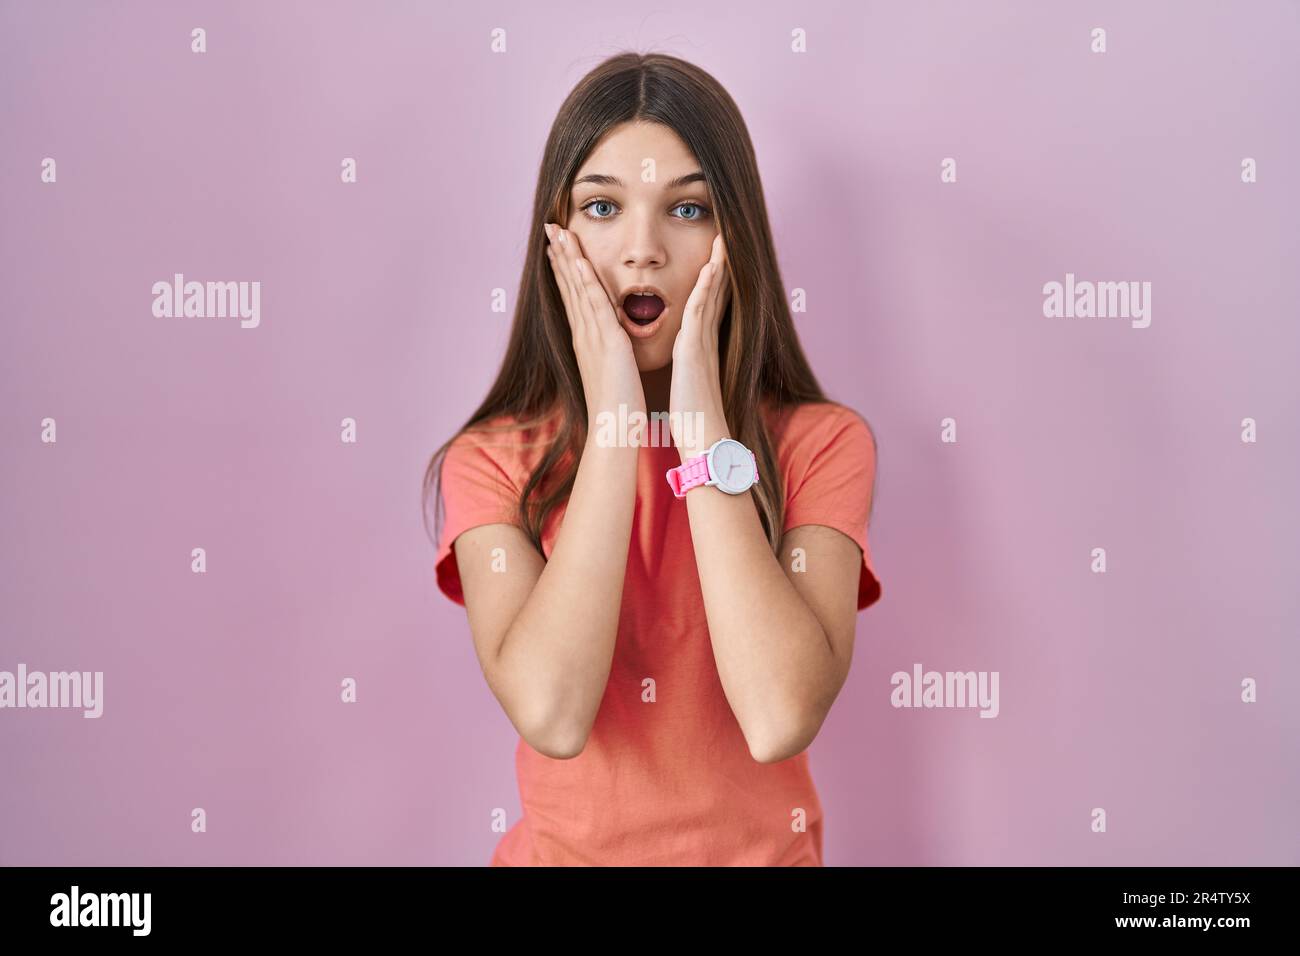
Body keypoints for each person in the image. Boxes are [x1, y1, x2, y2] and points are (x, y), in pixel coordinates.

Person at [422, 51, 882, 866]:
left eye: (688, 209)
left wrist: (702, 432)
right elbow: (554, 715)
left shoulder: (820, 445)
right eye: (603, 206)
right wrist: (615, 429)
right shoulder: (490, 461)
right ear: (557, 237)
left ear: (735, 240)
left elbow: (778, 717)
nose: (643, 250)